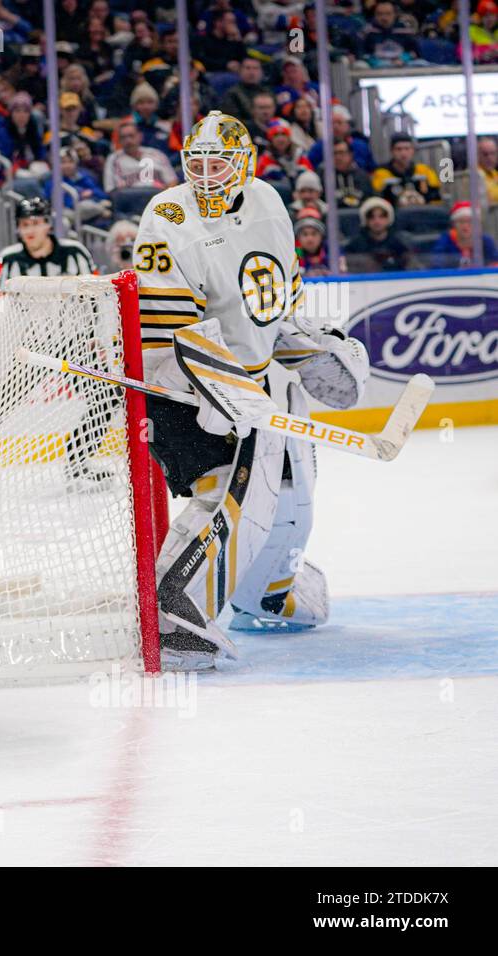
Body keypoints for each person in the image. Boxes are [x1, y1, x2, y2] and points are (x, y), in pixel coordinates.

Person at [132, 110, 368, 670]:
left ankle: (267, 593)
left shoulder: (267, 202)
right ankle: (172, 613)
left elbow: (269, 310)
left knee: (290, 500)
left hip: (257, 387)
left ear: (246, 164)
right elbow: (165, 337)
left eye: (220, 162)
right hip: (183, 394)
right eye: (197, 163)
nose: (208, 175)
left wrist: (304, 344)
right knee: (229, 494)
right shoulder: (166, 217)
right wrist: (218, 388)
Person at [0, 196, 95, 279]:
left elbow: (96, 291)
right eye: (24, 224)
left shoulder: (75, 251)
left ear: (48, 225)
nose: (30, 230)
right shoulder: (8, 258)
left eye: (36, 223)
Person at [343, 196, 414, 273]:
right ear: (365, 220)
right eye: (371, 217)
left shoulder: (399, 244)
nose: (377, 221)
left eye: (382, 216)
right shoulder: (355, 246)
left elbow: (412, 268)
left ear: (389, 219)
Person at [103, 120, 178, 192]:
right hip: (130, 201)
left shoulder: (156, 154)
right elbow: (110, 189)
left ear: (140, 136)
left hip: (158, 199)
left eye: (131, 136)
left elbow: (172, 182)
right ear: (119, 140)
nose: (128, 141)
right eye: (123, 137)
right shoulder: (113, 159)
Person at [372, 134, 442, 206]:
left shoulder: (424, 170)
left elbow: (436, 198)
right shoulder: (381, 173)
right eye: (398, 149)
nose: (403, 153)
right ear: (392, 151)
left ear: (413, 150)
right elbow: (376, 201)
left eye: (407, 148)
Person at [428, 202, 498, 269]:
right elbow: (436, 266)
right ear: (454, 224)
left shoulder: (485, 240)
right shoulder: (445, 240)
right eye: (461, 222)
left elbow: (495, 264)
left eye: (470, 221)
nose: (465, 226)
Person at [293, 207, 333, 275]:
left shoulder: (332, 250)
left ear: (321, 236)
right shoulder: (293, 255)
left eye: (314, 234)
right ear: (298, 237)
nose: (310, 238)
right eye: (305, 234)